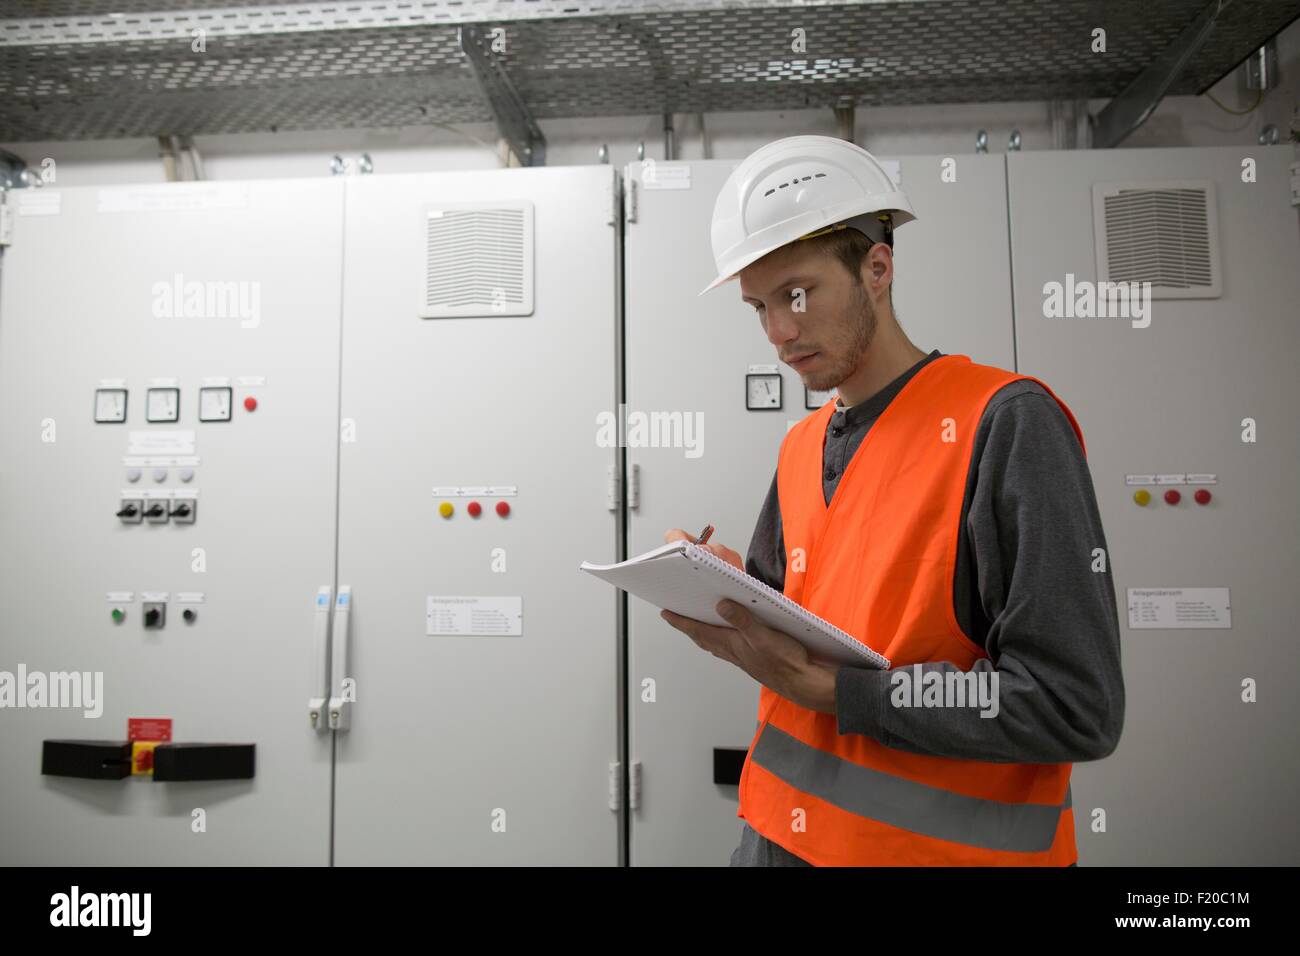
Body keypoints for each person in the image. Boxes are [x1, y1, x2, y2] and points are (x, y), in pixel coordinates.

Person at [660, 135, 1124, 866]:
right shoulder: (801, 445)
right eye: (759, 307)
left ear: (877, 268)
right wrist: (730, 591)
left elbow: (1074, 707)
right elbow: (808, 630)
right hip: (773, 838)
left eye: (798, 293)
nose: (779, 332)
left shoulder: (1005, 423)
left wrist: (844, 697)